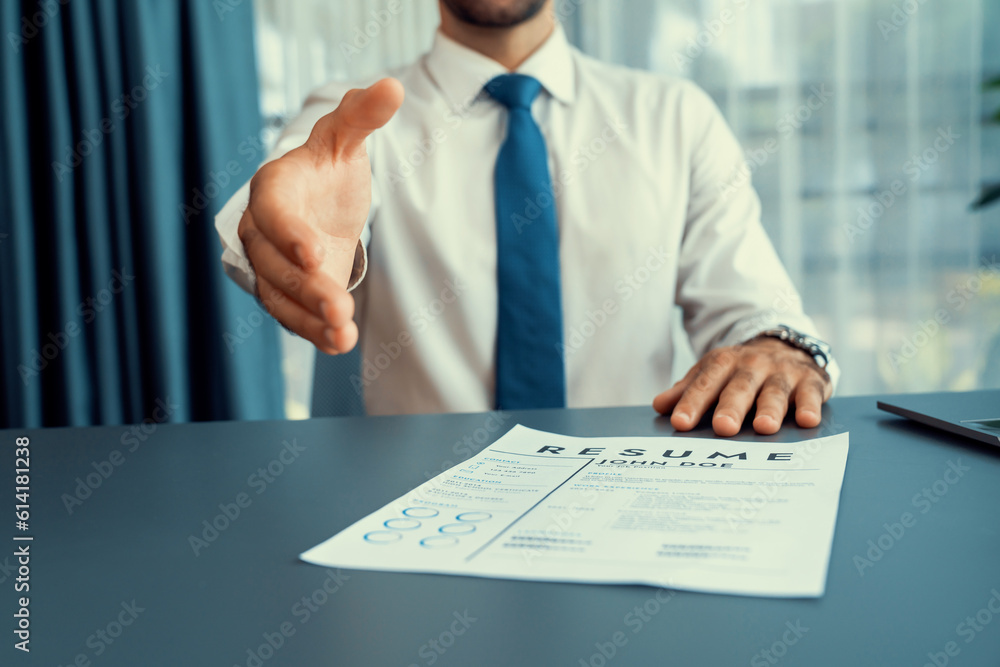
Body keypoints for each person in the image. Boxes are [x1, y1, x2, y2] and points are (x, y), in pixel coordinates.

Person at [215, 0, 839, 436]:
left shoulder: (676, 118)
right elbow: (286, 200)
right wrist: (287, 239)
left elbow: (755, 310)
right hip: (416, 523)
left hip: (628, 508)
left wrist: (774, 348)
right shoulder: (355, 118)